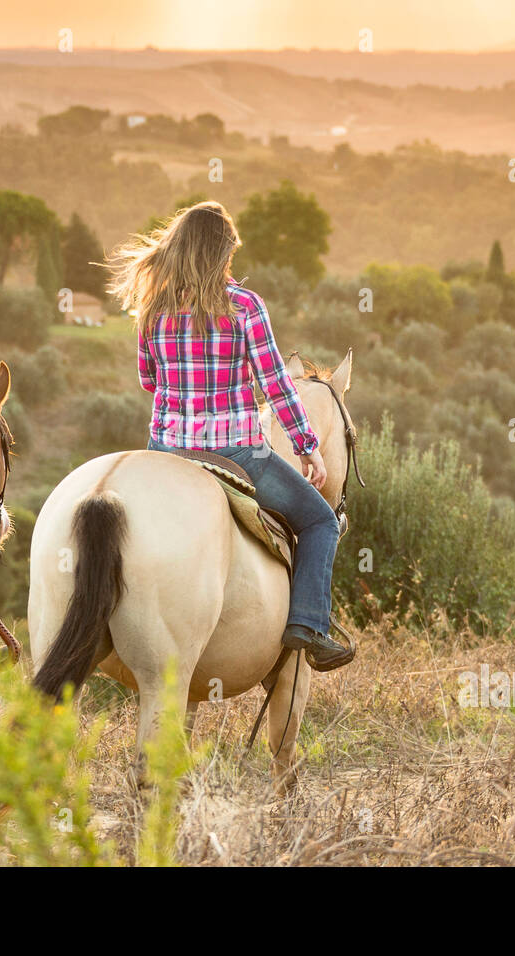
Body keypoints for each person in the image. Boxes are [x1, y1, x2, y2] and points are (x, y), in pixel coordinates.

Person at [107, 200, 350, 668]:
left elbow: (149, 380)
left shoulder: (152, 306)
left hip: (166, 450)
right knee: (320, 521)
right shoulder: (245, 306)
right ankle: (308, 625)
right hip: (236, 453)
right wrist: (308, 448)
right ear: (223, 254)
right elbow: (277, 385)